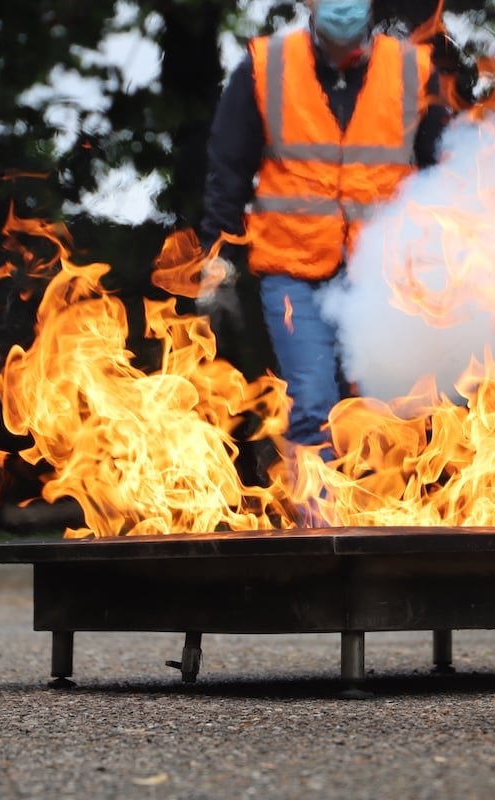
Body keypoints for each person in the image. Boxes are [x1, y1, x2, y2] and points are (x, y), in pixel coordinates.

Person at [195, 0, 450, 524]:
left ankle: (389, 532)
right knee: (313, 408)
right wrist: (215, 256)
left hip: (385, 273)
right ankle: (321, 536)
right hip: (293, 266)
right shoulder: (265, 65)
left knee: (393, 410)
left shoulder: (412, 69)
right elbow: (228, 167)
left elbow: (446, 170)